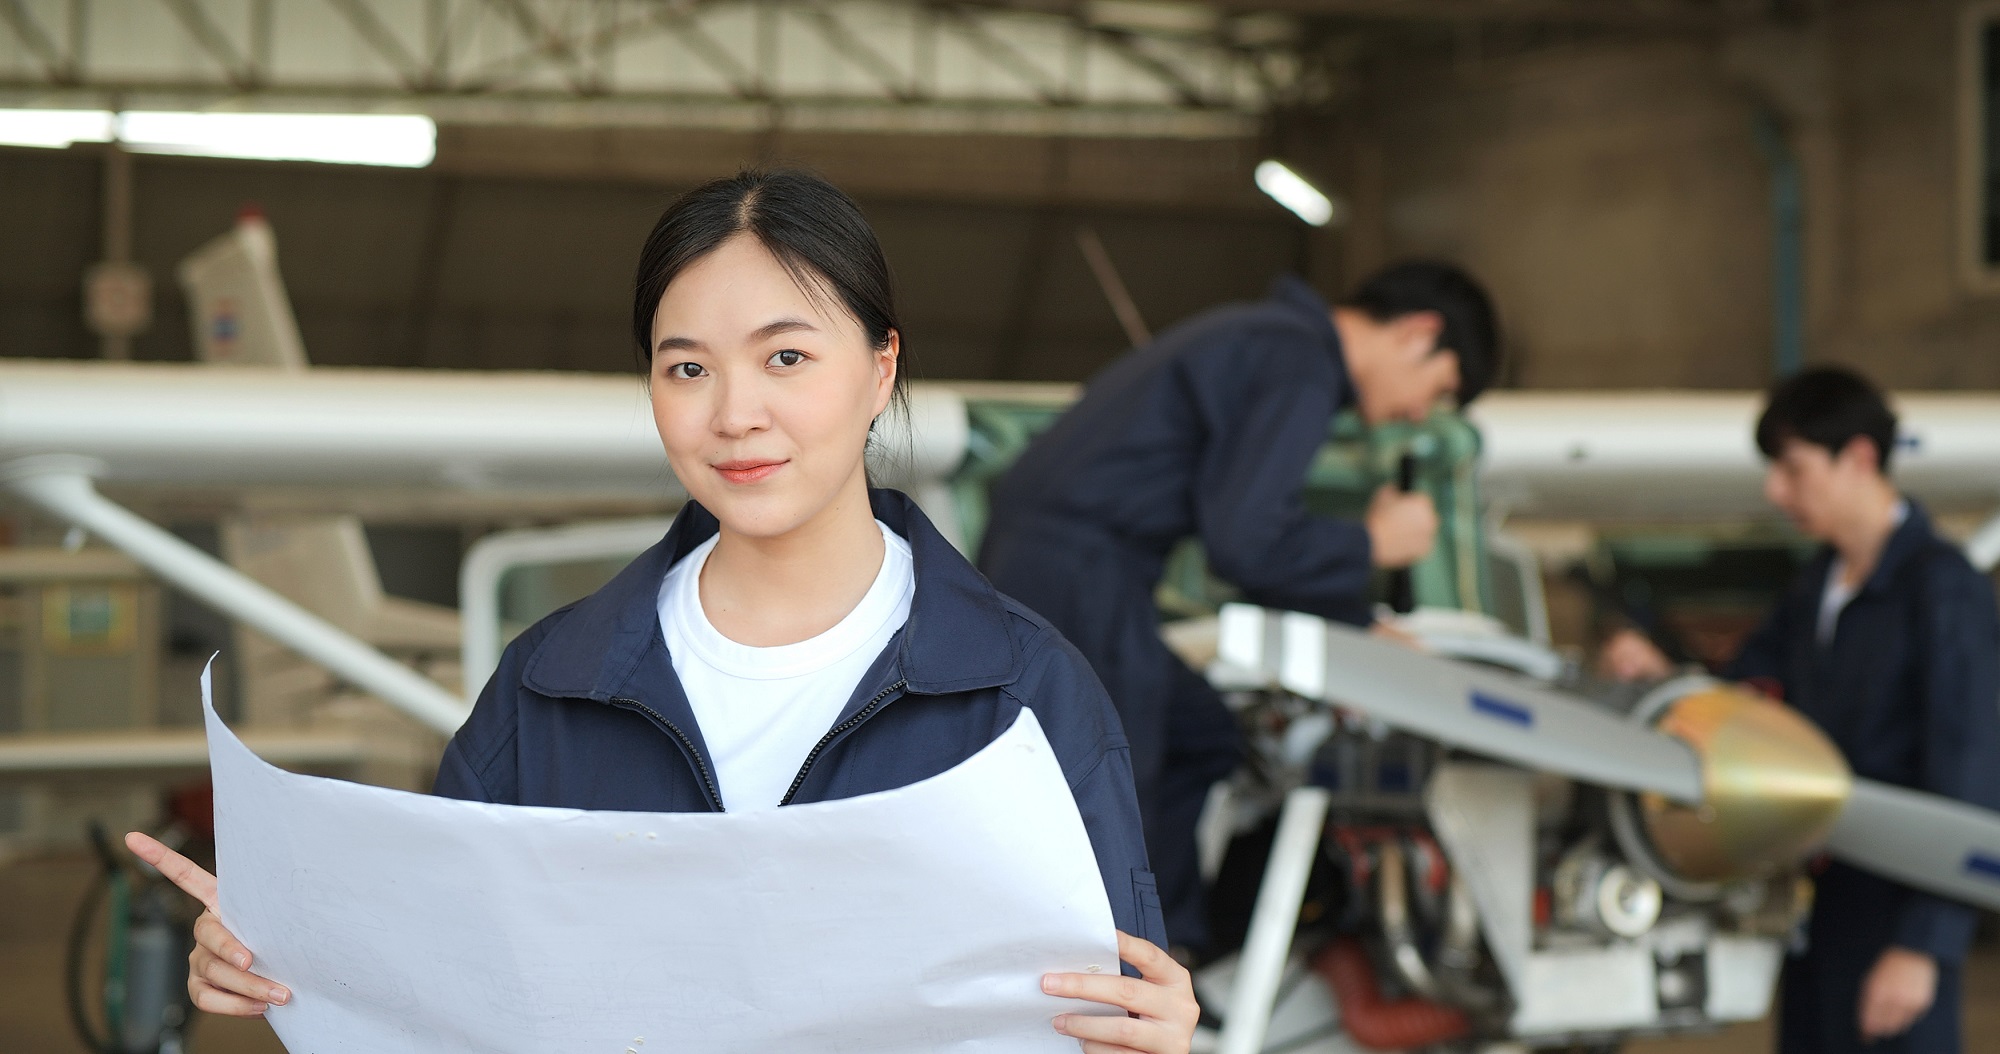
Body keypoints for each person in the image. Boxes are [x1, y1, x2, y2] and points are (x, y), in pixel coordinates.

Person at [127, 169, 1200, 1053]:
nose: (735, 414)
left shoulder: (1025, 692)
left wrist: (1157, 1038)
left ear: (879, 371)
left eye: (786, 356)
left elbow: (1098, 1002)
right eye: (686, 366)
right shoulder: (546, 685)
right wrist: (297, 957)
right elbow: (447, 981)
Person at [978, 263, 1501, 954]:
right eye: (1439, 391)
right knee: (1115, 788)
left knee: (1203, 736)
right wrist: (1372, 541)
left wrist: (1360, 623)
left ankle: (1185, 953)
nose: (1419, 413)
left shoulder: (1265, 339)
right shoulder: (1299, 361)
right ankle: (1130, 982)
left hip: (1064, 567)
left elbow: (1244, 532)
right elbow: (1246, 541)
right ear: (1418, 334)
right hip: (1079, 573)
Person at [1601, 366, 2000, 1054]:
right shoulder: (1815, 585)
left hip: (1896, 905)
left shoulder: (1943, 590)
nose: (1776, 491)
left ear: (1860, 459)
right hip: (1818, 902)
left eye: (1793, 468)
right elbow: (1749, 697)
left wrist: (1925, 946)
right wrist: (1666, 677)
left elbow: (1969, 771)